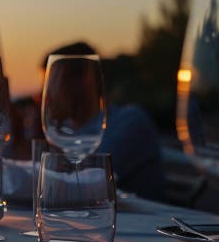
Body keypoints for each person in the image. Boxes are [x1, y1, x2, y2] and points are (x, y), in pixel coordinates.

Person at [34, 41, 167, 201]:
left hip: (145, 223)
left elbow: (89, 178)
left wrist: (48, 128)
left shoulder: (130, 121)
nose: (44, 94)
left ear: (84, 80)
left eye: (52, 83)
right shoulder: (68, 130)